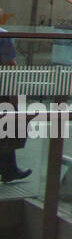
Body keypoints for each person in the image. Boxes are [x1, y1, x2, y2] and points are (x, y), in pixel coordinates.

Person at [0, 12, 28, 184]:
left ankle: (10, 168)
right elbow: (10, 67)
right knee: (7, 129)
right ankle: (9, 169)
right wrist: (14, 97)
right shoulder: (3, 35)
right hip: (1, 91)